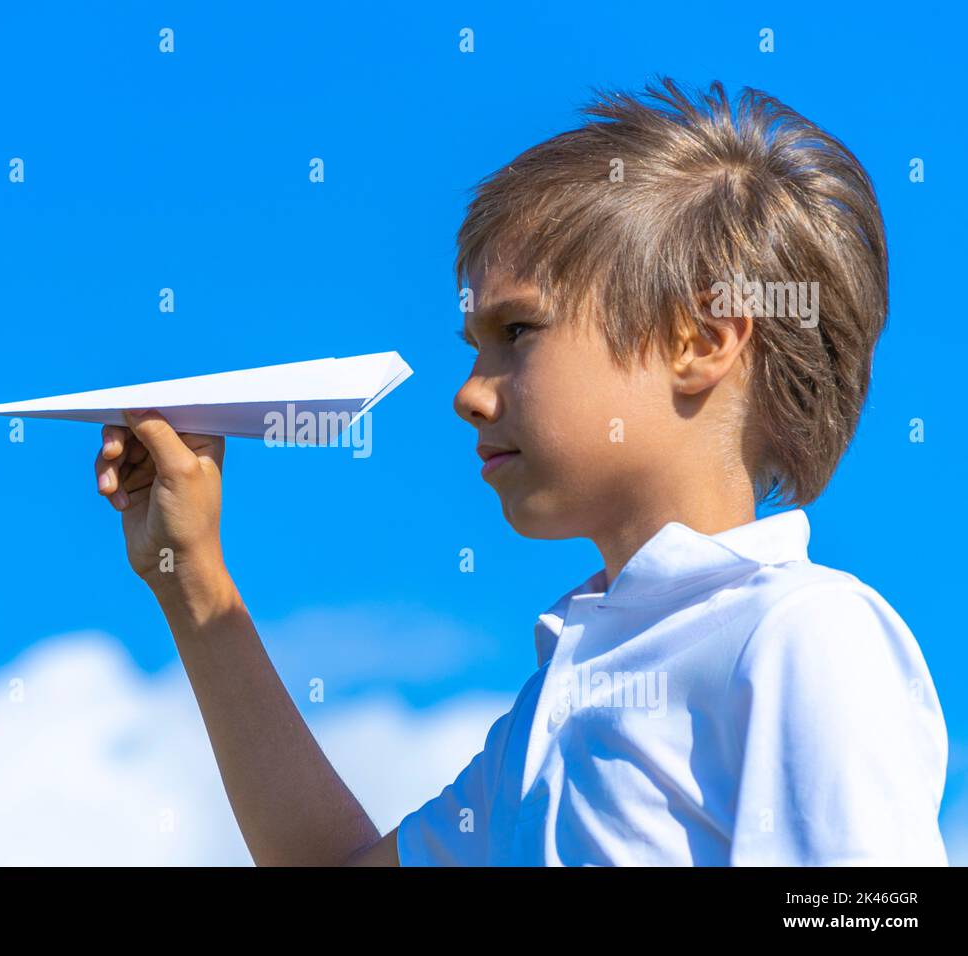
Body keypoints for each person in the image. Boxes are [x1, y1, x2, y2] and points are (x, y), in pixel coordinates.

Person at [92, 78, 948, 866]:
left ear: (703, 341)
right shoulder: (556, 706)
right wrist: (191, 577)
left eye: (518, 333)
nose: (468, 394)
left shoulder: (803, 635)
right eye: (476, 347)